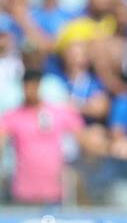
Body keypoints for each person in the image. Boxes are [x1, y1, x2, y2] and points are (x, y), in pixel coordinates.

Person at [0, 66, 85, 205]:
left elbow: (82, 135)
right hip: (23, 192)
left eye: (35, 85)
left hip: (55, 191)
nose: (31, 90)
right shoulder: (13, 116)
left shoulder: (57, 112)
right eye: (27, 86)